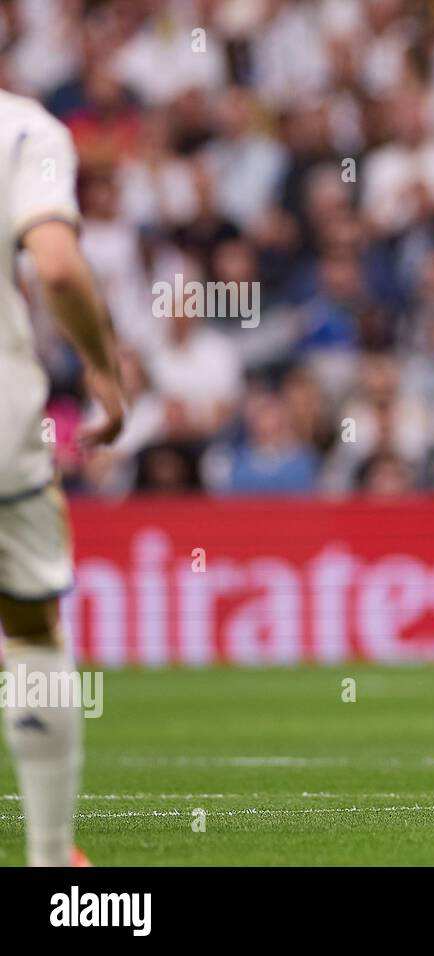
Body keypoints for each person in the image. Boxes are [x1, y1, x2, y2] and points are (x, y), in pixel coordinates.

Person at [0, 89, 126, 864]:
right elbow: (57, 265)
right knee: (31, 628)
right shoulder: (24, 128)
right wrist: (104, 369)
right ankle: (50, 859)